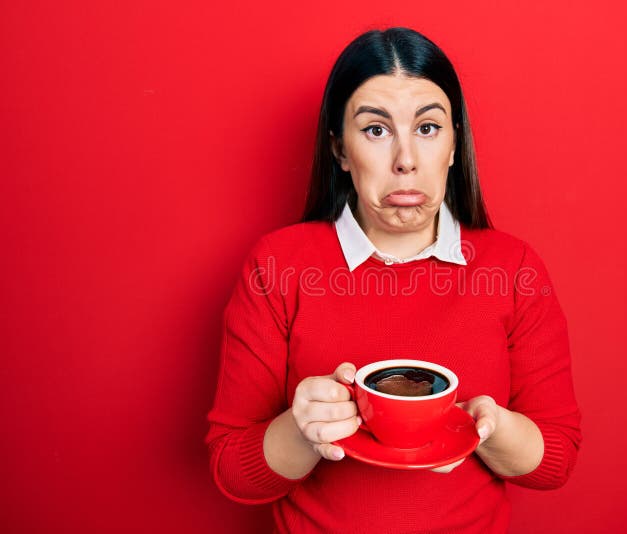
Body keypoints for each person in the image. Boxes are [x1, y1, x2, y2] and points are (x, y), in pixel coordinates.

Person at [205, 27, 582, 533]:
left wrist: (486, 426)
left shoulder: (513, 268)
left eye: (427, 128)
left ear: (454, 145)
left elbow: (556, 460)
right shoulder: (276, 265)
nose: (406, 160)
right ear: (340, 150)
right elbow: (232, 469)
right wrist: (301, 430)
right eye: (376, 130)